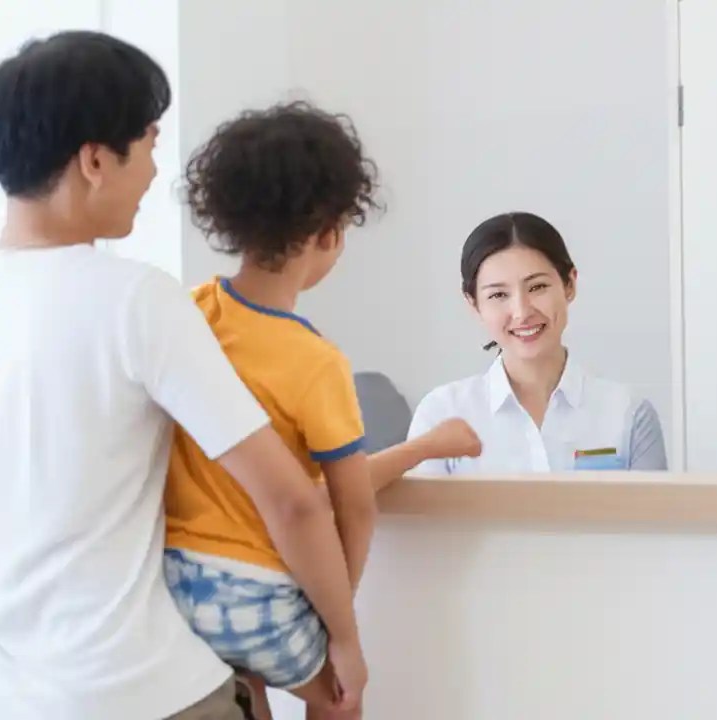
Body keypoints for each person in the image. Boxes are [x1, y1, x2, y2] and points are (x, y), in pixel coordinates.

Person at [0, 32, 365, 720]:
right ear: (96, 160)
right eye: (150, 143)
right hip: (145, 690)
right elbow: (293, 502)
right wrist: (344, 642)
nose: (154, 171)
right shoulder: (136, 298)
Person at [163, 101, 482, 718]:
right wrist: (343, 632)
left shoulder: (192, 313)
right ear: (332, 232)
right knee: (340, 696)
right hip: (255, 598)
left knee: (245, 687)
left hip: (175, 590)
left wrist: (421, 448)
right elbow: (352, 505)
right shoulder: (316, 362)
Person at [407, 212, 667, 474]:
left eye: (537, 287)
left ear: (569, 284)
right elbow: (423, 515)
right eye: (499, 294)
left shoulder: (628, 413)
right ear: (474, 304)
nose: (521, 312)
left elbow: (651, 514)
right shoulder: (442, 412)